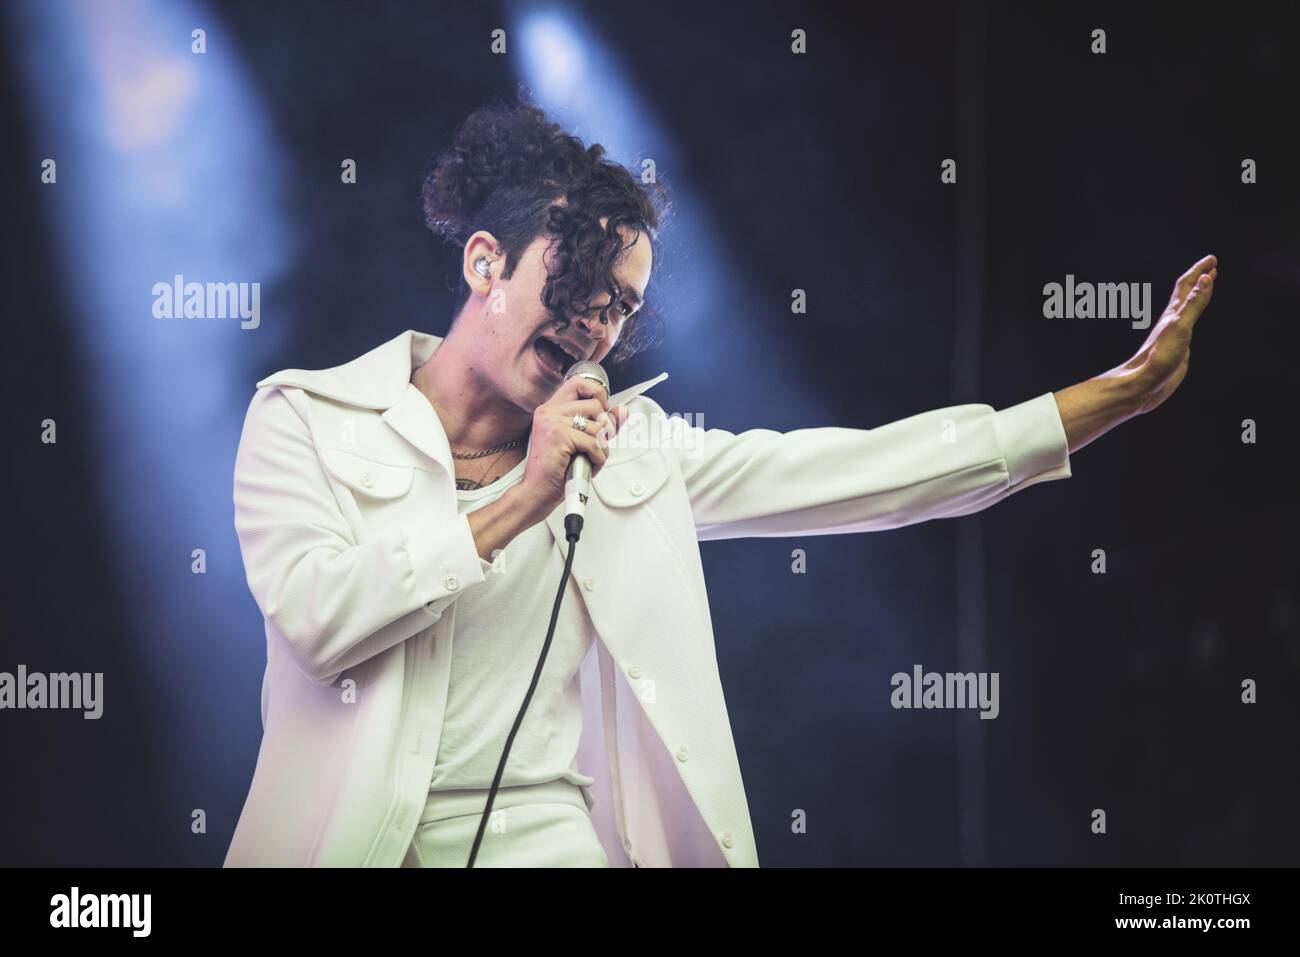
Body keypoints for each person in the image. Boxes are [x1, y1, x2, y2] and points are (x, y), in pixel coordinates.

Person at [223, 100, 1216, 867]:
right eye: (574, 282)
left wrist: (1112, 397)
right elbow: (317, 620)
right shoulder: (307, 418)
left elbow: (862, 471)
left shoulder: (625, 452)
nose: (595, 323)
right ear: (486, 262)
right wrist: (521, 500)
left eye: (620, 304)